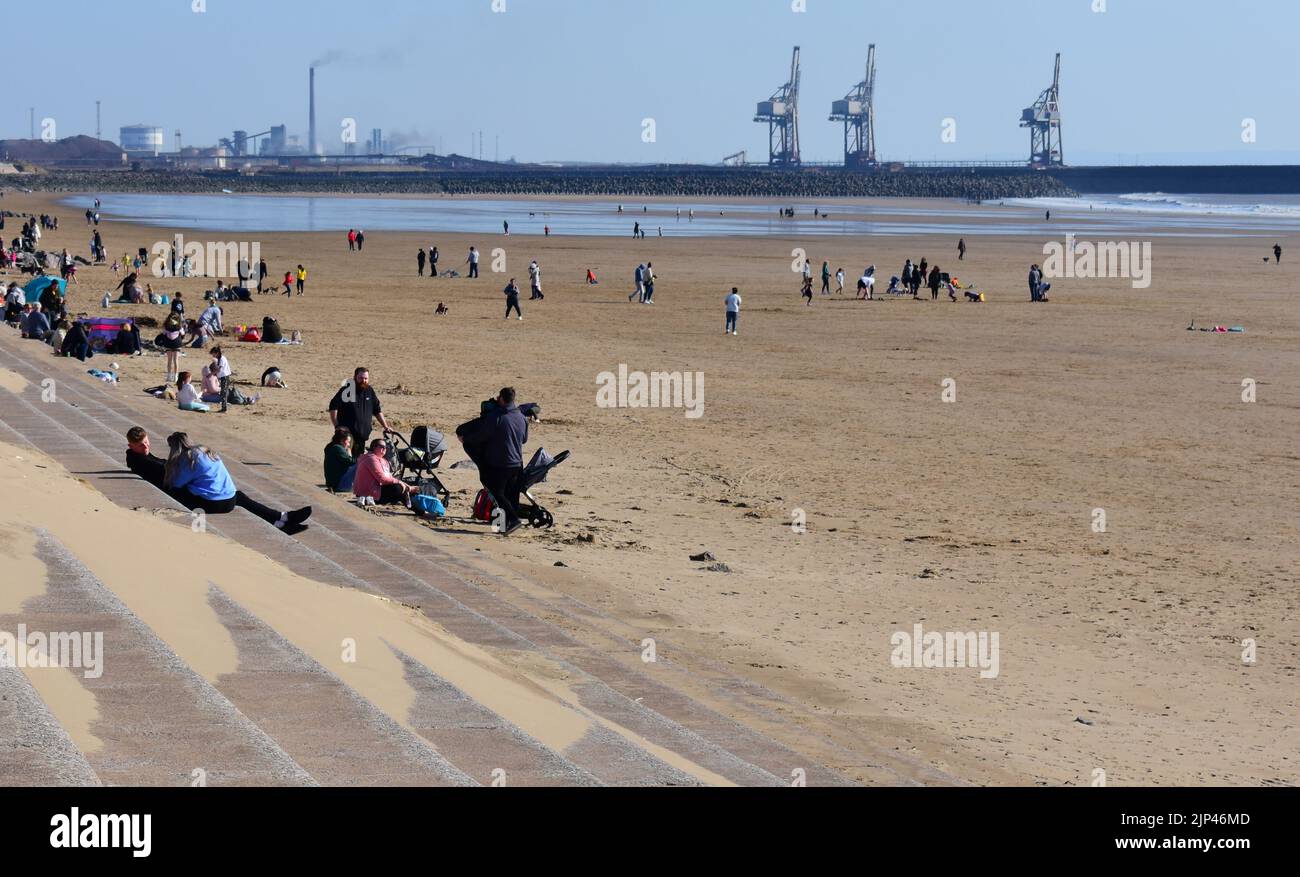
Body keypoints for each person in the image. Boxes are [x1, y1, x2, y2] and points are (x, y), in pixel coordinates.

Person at [130, 429, 311, 531]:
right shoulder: (205, 450)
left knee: (176, 490)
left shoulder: (187, 459)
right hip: (230, 499)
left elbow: (176, 484)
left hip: (213, 505)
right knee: (239, 496)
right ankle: (281, 518)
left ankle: (281, 521)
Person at [456, 387, 528, 535]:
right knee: (511, 495)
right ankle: (504, 525)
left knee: (496, 493)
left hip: (501, 464)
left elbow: (481, 436)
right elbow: (524, 439)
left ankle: (513, 520)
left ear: (501, 399)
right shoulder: (521, 417)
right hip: (517, 463)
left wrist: (466, 439)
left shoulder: (496, 417)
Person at [328, 367, 391, 455]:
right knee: (348, 463)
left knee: (358, 463)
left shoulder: (369, 390)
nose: (363, 380)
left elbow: (377, 410)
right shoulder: (347, 390)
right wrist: (337, 426)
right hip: (347, 437)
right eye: (361, 378)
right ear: (355, 377)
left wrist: (385, 426)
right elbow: (333, 407)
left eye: (366, 378)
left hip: (362, 437)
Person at [353, 438, 413, 507]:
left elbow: (389, 477)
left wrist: (405, 484)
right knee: (398, 488)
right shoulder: (371, 458)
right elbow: (382, 479)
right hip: (368, 493)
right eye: (381, 446)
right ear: (374, 447)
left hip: (376, 489)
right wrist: (400, 482)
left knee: (404, 488)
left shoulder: (383, 460)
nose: (384, 449)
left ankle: (417, 506)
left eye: (386, 447)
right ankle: (417, 508)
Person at [323, 427, 357, 493]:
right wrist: (361, 458)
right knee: (361, 464)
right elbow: (350, 462)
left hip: (333, 483)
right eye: (348, 442)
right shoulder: (338, 448)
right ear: (342, 440)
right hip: (339, 485)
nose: (349, 444)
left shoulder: (331, 446)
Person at [209, 346, 232, 413]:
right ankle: (224, 407)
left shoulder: (222, 359)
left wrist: (212, 374)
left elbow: (219, 369)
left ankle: (224, 409)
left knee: (223, 393)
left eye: (213, 354)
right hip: (223, 377)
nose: (213, 355)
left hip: (225, 377)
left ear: (217, 353)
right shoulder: (219, 358)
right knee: (223, 392)